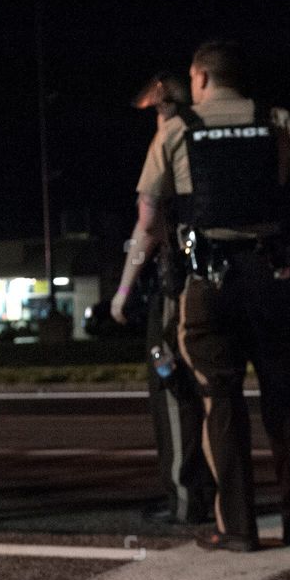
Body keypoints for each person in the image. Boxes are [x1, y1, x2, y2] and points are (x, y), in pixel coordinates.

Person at [136, 40, 290, 551]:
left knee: (219, 400)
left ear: (200, 77)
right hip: (268, 277)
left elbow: (148, 219)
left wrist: (134, 278)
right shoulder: (277, 121)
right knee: (284, 397)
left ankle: (237, 526)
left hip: (209, 283)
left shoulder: (177, 129)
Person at [113, 71, 214, 526]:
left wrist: (123, 292)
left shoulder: (171, 138)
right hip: (224, 278)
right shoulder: (219, 135)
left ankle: (185, 497)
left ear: (164, 106)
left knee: (171, 386)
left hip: (178, 286)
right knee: (215, 391)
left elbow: (148, 225)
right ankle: (221, 497)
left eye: (153, 110)